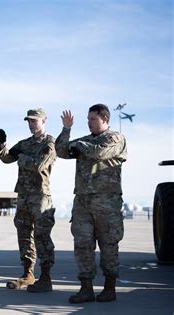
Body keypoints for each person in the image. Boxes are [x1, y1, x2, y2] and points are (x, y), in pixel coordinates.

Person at [55, 104, 127, 303]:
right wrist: (67, 129)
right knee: (83, 245)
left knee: (109, 245)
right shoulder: (85, 140)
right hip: (83, 202)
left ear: (104, 118)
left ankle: (109, 288)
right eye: (87, 119)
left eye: (92, 119)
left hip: (107, 203)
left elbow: (100, 153)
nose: (88, 123)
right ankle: (86, 289)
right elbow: (61, 151)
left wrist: (79, 146)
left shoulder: (115, 138)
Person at [0, 108, 56, 293]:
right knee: (24, 234)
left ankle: (45, 278)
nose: (31, 124)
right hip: (23, 195)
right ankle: (28, 274)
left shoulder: (50, 142)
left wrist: (22, 159)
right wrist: (2, 145)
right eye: (28, 121)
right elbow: (7, 159)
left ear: (44, 121)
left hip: (40, 196)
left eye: (34, 121)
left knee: (41, 236)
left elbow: (40, 164)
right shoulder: (24, 143)